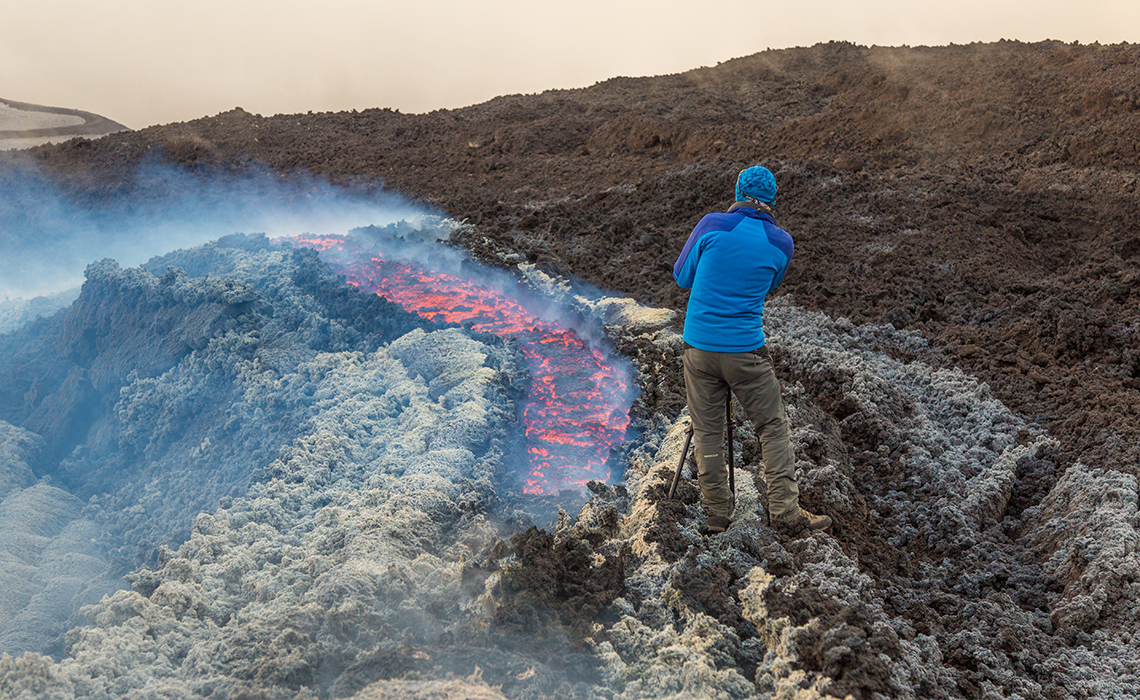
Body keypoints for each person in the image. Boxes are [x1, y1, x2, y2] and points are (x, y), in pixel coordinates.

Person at [673, 165, 832, 535]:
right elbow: (770, 283)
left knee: (707, 431)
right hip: (746, 353)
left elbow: (682, 277)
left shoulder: (711, 225)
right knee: (772, 427)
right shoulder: (781, 243)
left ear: (738, 192)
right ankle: (786, 514)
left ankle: (717, 514)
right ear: (772, 200)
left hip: (699, 348)